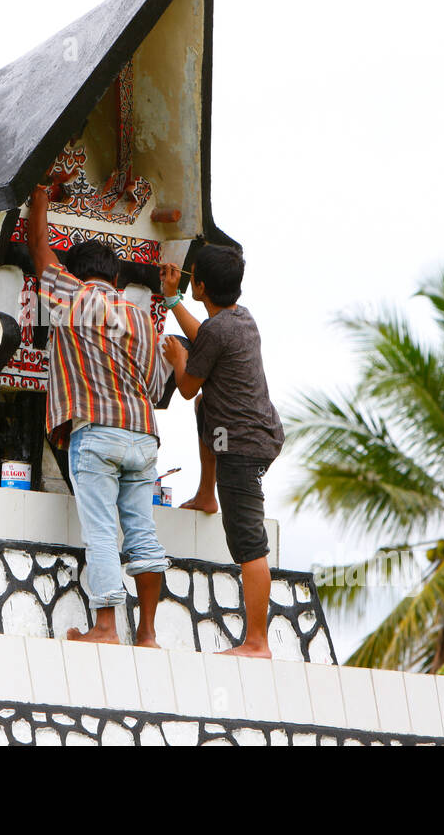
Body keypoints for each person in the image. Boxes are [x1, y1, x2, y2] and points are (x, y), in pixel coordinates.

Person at [27, 186, 171, 646]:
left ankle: (106, 628)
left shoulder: (73, 297)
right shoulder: (142, 317)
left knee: (102, 532)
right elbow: (155, 386)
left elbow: (39, 254)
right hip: (143, 436)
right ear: (117, 275)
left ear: (79, 273)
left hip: (97, 433)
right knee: (143, 535)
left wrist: (39, 200)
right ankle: (147, 634)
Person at [160, 246, 285, 658]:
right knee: (205, 411)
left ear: (200, 286)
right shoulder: (241, 319)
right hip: (256, 433)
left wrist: (179, 359)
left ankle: (257, 642)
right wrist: (173, 299)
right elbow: (207, 338)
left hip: (243, 447)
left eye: (190, 277)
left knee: (249, 541)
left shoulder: (216, 331)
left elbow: (187, 386)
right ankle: (205, 494)